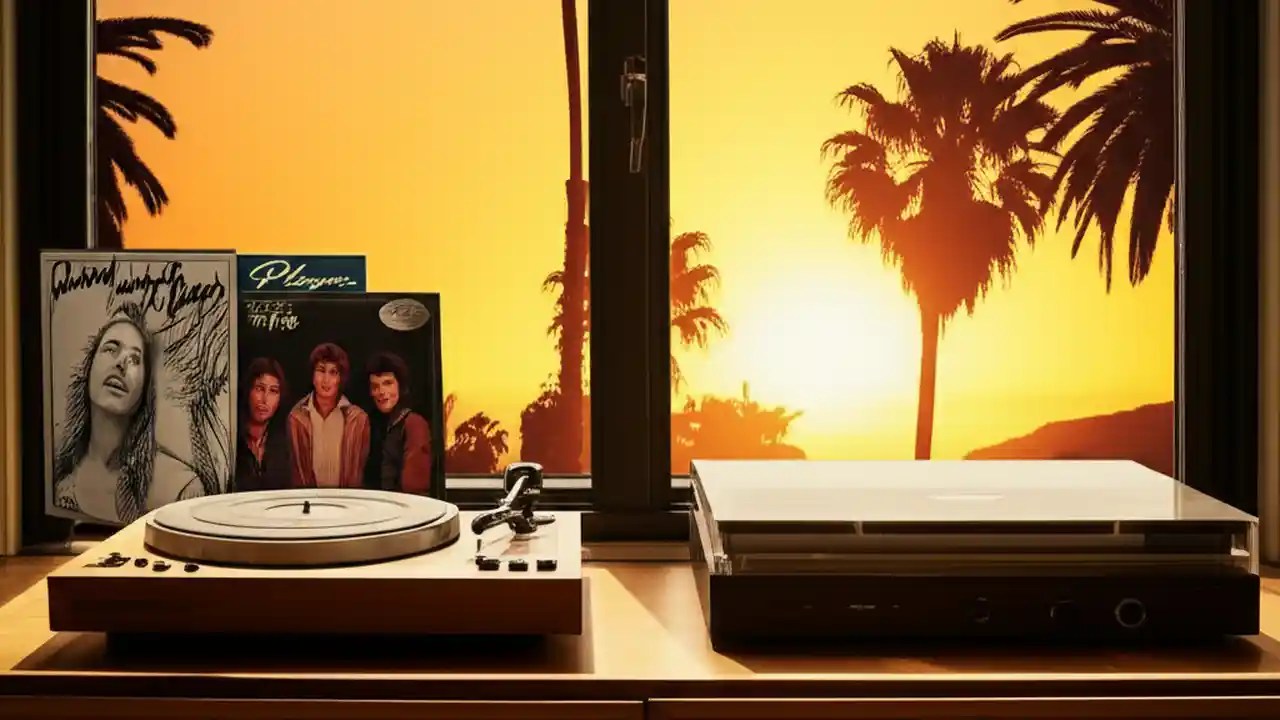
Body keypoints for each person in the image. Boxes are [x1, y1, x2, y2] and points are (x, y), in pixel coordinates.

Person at [52, 303, 202, 524]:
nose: (122, 363)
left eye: (135, 359)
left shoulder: (182, 487)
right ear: (89, 368)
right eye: (111, 349)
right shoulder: (61, 481)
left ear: (144, 390)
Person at [287, 342, 369, 487]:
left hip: (346, 502)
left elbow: (359, 470)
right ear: (312, 376)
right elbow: (296, 471)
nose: (326, 380)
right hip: (309, 502)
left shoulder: (358, 419)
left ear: (340, 378)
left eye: (333, 372)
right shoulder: (296, 417)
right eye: (321, 370)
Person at [364, 351, 432, 494]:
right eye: (375, 386)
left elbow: (415, 488)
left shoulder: (414, 424)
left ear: (400, 386)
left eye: (387, 383)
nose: (381, 391)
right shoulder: (372, 424)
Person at [235, 357, 293, 492]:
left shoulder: (282, 443)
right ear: (248, 391)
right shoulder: (232, 439)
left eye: (273, 391)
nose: (265, 399)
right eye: (259, 388)